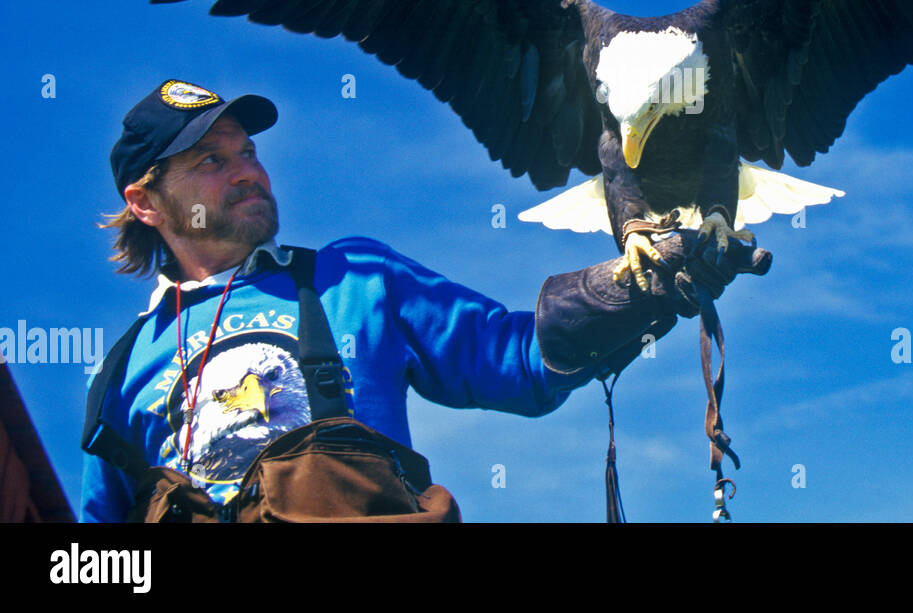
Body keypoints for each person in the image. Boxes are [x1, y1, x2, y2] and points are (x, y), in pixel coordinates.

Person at [82, 79, 761, 522]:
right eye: (211, 160)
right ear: (144, 201)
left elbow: (521, 360)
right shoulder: (117, 375)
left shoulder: (357, 277)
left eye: (249, 150)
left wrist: (632, 286)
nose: (248, 170)